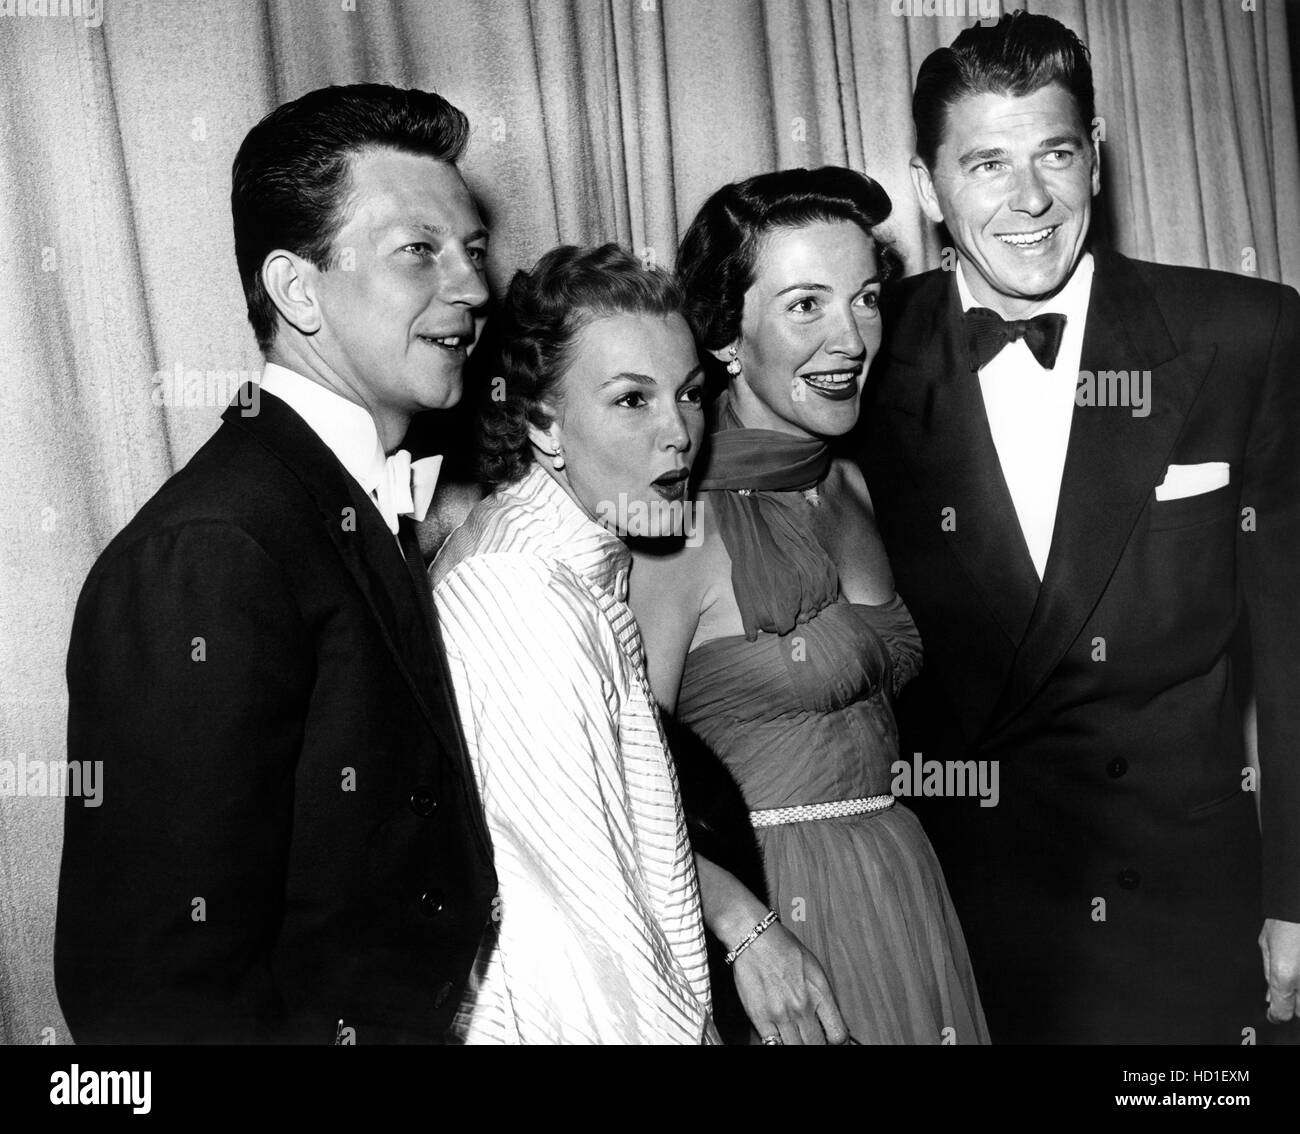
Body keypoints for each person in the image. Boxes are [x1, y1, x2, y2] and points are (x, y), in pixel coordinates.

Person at [862, 11, 1300, 1043]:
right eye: (984, 164)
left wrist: (1295, 896)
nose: (1027, 201)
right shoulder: (863, 358)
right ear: (927, 188)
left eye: (1054, 154)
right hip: (957, 914)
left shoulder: (1243, 336)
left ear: (1093, 159)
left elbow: (1295, 647)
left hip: (1183, 905)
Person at [55, 83, 497, 1043]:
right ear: (298, 290)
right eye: (419, 251)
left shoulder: (333, 495)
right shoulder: (214, 551)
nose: (471, 288)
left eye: (472, 250)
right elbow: (153, 994)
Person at [630, 167, 988, 1045]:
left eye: (865, 298)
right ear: (722, 335)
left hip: (902, 883)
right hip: (775, 927)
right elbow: (617, 782)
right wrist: (746, 931)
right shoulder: (674, 521)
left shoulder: (854, 482)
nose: (850, 337)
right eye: (804, 305)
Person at [431, 244, 717, 1043]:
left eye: (690, 394)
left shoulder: (567, 558)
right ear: (542, 424)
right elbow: (584, 938)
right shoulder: (522, 591)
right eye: (632, 400)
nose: (679, 434)